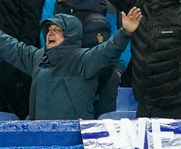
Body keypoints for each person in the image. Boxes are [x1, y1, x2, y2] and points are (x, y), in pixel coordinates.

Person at [0, 8, 140, 120]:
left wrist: (125, 32)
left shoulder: (84, 59)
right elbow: (12, 48)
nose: (50, 33)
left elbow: (108, 50)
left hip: (74, 137)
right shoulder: (38, 57)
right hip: (40, 136)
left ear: (70, 35)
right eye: (49, 30)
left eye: (57, 30)